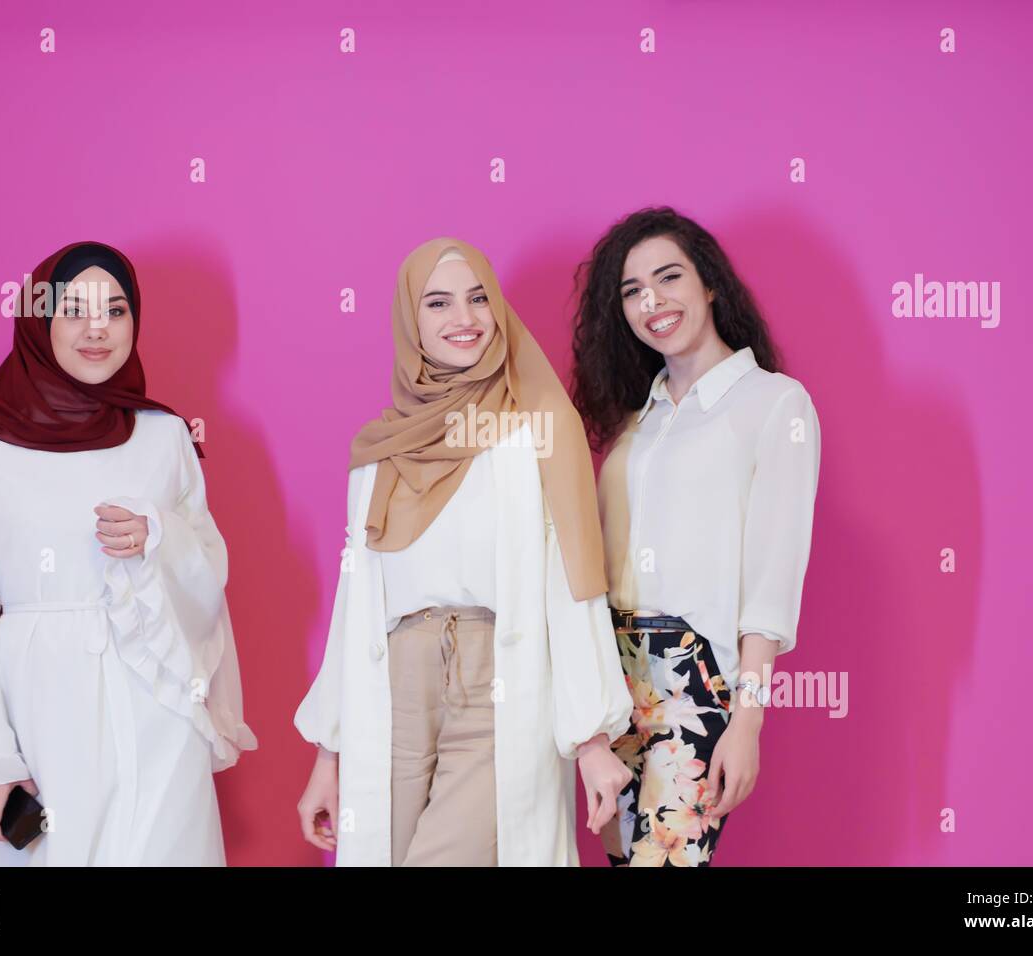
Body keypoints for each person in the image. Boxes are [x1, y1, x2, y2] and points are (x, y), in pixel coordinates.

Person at [0, 241, 256, 865]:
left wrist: (159, 540)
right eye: (74, 309)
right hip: (37, 716)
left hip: (157, 716)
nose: (98, 329)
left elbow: (209, 575)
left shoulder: (165, 436)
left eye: (116, 310)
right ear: (40, 322)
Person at [294, 237, 633, 866]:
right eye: (439, 303)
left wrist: (591, 737)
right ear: (410, 323)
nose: (465, 318)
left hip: (496, 682)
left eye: (479, 298)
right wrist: (328, 754)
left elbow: (572, 579)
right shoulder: (379, 453)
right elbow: (356, 600)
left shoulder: (534, 431)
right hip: (394, 686)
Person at [571, 207, 822, 866]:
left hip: (695, 677)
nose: (652, 300)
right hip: (612, 678)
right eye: (632, 291)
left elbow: (773, 575)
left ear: (710, 284)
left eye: (669, 276)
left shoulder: (775, 404)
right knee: (623, 861)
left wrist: (749, 716)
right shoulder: (638, 422)